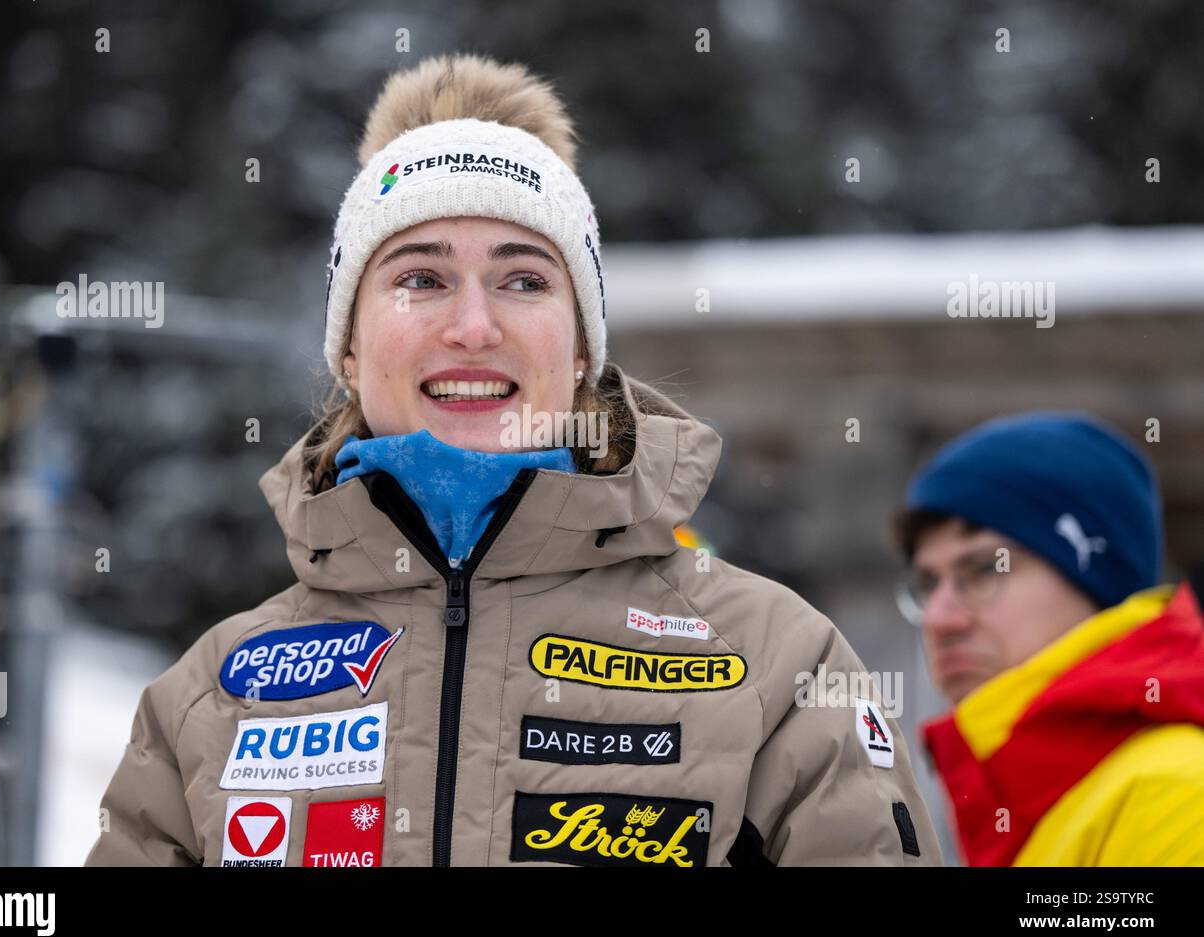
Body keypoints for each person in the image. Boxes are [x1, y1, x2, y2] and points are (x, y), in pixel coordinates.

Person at [85, 53, 940, 868]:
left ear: (581, 350)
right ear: (348, 348)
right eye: (420, 278)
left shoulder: (781, 667)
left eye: (524, 281)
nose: (473, 327)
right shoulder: (210, 698)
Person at [893, 411, 1204, 865]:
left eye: (982, 570)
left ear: (1093, 576)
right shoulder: (1029, 799)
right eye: (927, 583)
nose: (939, 619)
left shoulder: (1176, 796)